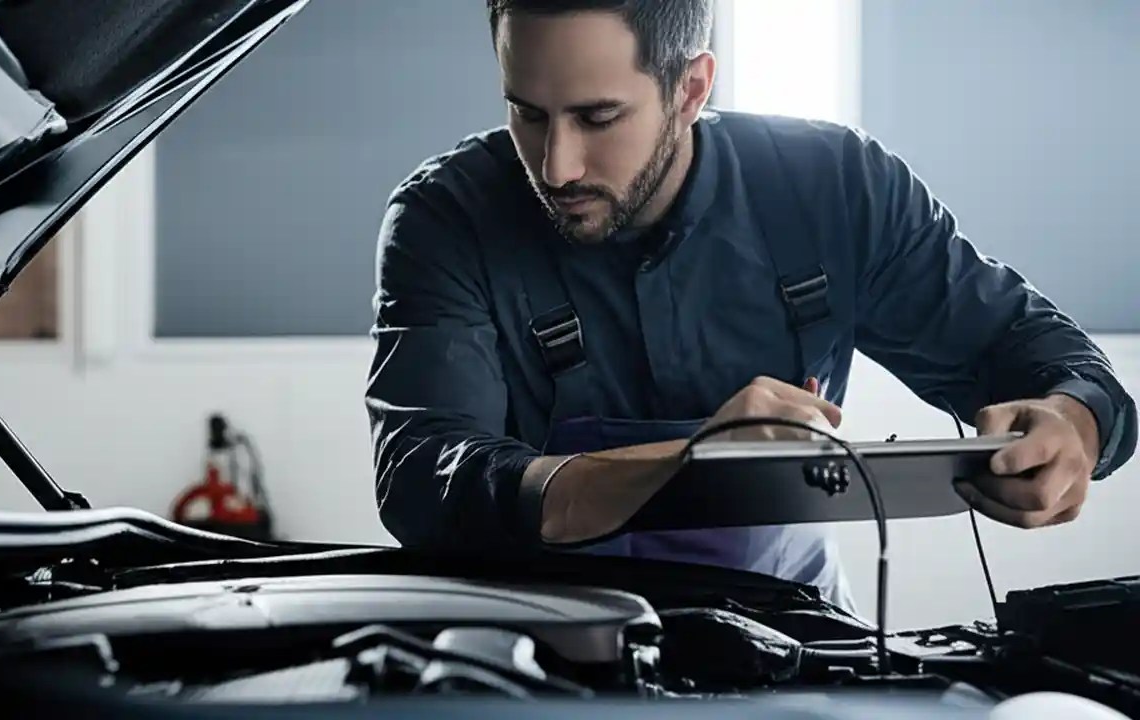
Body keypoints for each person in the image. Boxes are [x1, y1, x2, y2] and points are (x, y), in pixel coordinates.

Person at [364, 0, 1137, 613]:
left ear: (692, 87)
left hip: (793, 638)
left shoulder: (834, 186)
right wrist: (690, 464)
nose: (556, 164)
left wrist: (1072, 423)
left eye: (598, 118)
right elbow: (424, 478)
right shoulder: (446, 217)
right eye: (527, 112)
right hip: (542, 657)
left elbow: (1040, 355)